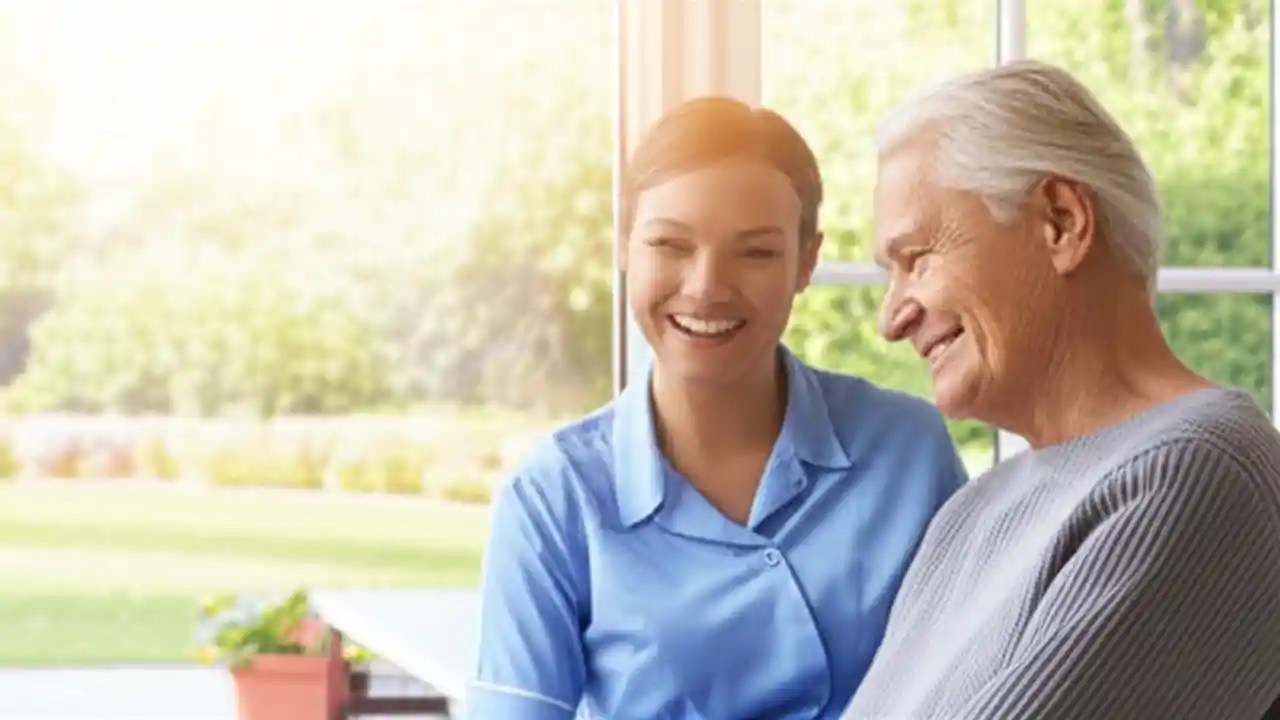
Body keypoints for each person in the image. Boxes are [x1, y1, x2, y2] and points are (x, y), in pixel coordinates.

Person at [467, 97, 966, 719]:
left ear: (806, 262)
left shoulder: (907, 452)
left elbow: (973, 684)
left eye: (755, 252)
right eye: (671, 245)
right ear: (625, 246)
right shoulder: (555, 499)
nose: (706, 286)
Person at [843, 60, 1280, 719]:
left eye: (917, 259)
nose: (892, 317)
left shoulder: (1201, 471)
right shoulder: (971, 516)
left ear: (1061, 222)